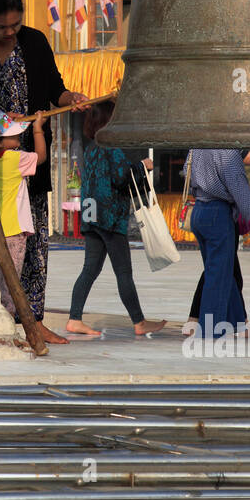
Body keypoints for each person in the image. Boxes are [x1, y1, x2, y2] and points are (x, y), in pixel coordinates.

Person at [0, 0, 88, 347]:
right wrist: (0, 120)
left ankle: (34, 320)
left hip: (33, 159)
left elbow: (54, 88)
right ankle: (0, 320)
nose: (10, 32)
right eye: (2, 27)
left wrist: (70, 97)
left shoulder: (34, 42)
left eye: (15, 24)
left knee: (34, 247)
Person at [65, 101, 168, 337]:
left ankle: (74, 318)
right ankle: (139, 322)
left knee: (89, 269)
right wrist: (143, 166)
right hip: (109, 217)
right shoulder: (112, 147)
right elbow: (122, 178)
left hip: (91, 215)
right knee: (123, 272)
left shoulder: (91, 148)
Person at [182, 149, 250, 336]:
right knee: (218, 275)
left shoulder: (196, 148)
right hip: (218, 213)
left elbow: (186, 172)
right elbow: (240, 189)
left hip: (199, 211)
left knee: (223, 270)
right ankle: (210, 329)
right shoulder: (228, 151)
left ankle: (239, 324)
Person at [0, 109, 47, 319]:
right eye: (12, 134)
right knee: (10, 287)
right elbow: (41, 157)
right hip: (12, 234)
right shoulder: (14, 159)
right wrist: (38, 130)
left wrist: (5, 119)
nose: (18, 135)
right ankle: (7, 325)